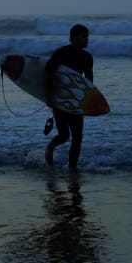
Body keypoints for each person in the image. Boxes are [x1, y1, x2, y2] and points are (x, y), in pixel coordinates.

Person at [43, 24, 92, 169]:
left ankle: (72, 169)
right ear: (73, 38)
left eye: (87, 37)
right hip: (60, 99)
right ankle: (50, 147)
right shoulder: (61, 53)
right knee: (64, 136)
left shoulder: (87, 58)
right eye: (83, 37)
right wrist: (48, 97)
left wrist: (88, 103)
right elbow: (47, 73)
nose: (87, 40)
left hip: (76, 101)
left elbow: (89, 83)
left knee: (77, 138)